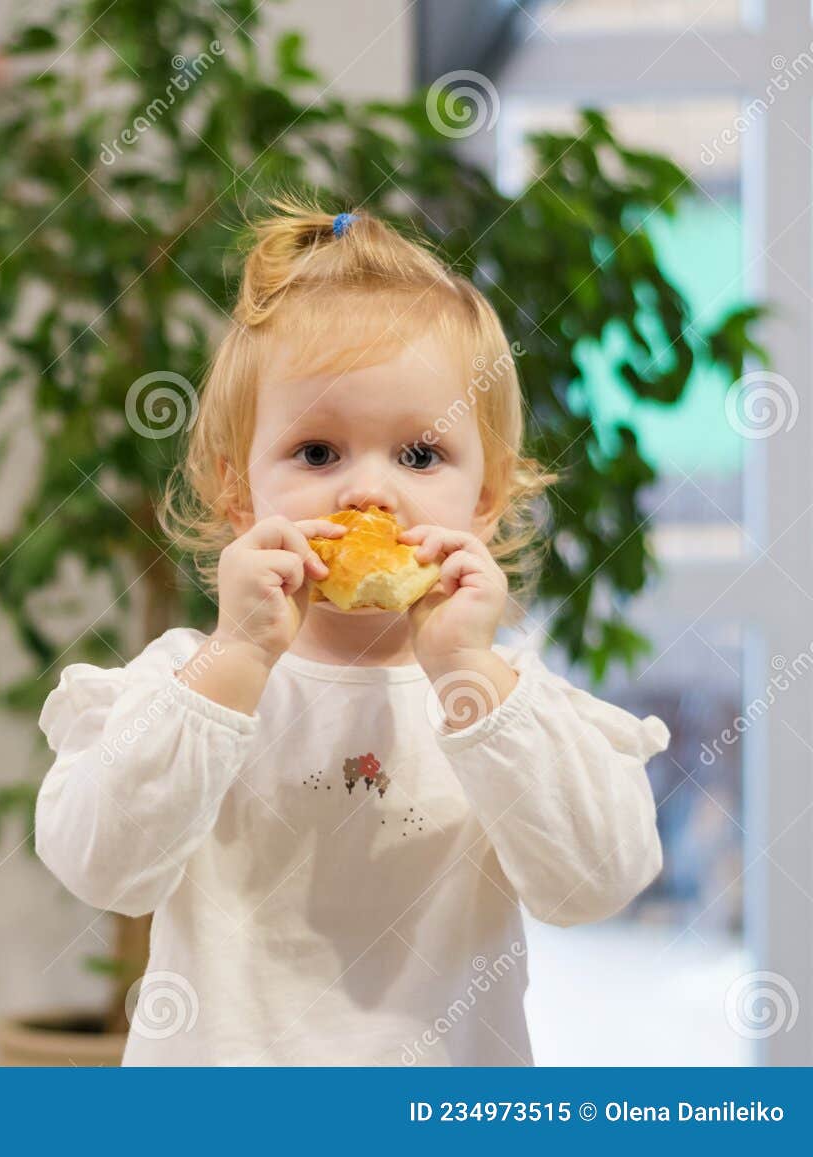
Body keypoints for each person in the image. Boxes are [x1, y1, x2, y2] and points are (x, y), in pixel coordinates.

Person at [33, 198, 668, 1066]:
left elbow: (597, 879)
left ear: (484, 500)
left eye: (419, 455)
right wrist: (237, 659)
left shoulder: (503, 698)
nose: (369, 493)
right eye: (318, 452)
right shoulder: (190, 678)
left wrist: (470, 672)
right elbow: (101, 864)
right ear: (237, 492)